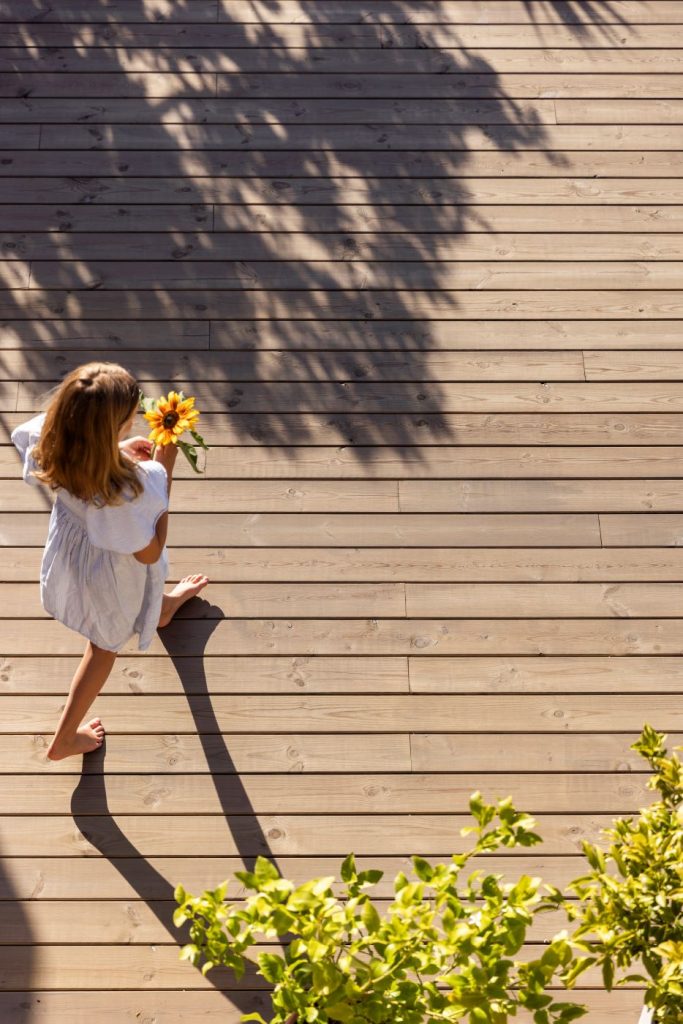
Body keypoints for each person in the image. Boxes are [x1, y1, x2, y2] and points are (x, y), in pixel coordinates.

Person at [11, 361, 209, 761]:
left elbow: (75, 450)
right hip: (111, 573)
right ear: (108, 429)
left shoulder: (47, 440)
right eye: (127, 421)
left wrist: (115, 452)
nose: (135, 422)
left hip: (78, 549)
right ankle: (64, 738)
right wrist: (161, 473)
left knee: (144, 593)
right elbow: (150, 549)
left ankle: (160, 609)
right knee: (103, 647)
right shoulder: (127, 491)